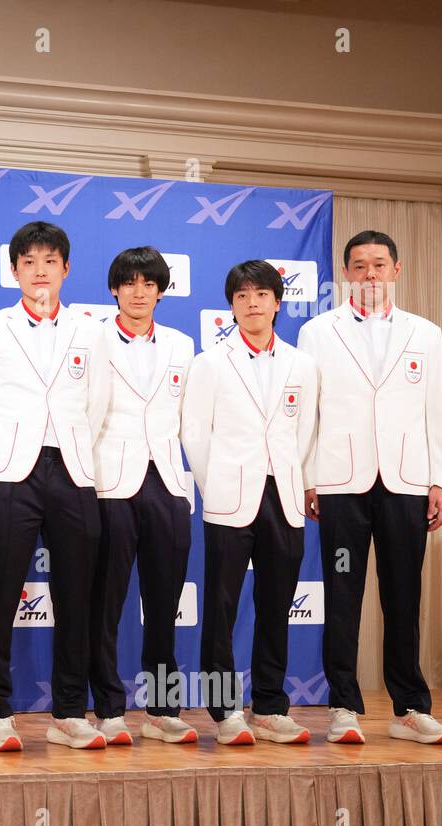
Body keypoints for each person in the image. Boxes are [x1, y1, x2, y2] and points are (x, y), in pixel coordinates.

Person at [298, 231, 442, 745]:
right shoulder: (318, 332)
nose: (370, 274)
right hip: (341, 484)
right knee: (342, 595)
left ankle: (410, 708)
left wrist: (440, 480)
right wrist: (308, 477)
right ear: (346, 273)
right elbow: (307, 413)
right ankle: (343, 706)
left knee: (403, 597)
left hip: (406, 484)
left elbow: (441, 410)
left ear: (396, 270)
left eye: (379, 264)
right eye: (360, 265)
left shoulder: (425, 333)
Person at [0, 221, 112, 752]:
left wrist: (70, 449)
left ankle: (69, 711)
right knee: (0, 590)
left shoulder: (90, 331)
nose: (40, 271)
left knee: (76, 595)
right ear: (14, 271)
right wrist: (2, 455)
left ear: (66, 268)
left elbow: (97, 404)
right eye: (29, 262)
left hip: (72, 471)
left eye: (50, 261)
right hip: (11, 473)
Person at [181, 260, 317, 745]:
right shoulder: (210, 363)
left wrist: (291, 477)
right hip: (228, 497)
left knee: (277, 605)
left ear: (277, 302)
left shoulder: (302, 364)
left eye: (261, 294)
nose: (252, 303)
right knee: (221, 609)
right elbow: (195, 434)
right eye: (242, 296)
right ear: (231, 306)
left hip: (284, 496)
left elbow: (305, 432)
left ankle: (270, 705)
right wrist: (215, 483)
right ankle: (224, 712)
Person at [89, 246, 198, 745]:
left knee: (164, 606)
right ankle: (109, 709)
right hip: (109, 484)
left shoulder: (182, 345)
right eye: (129, 282)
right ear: (114, 289)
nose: (139, 292)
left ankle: (162, 709)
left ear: (160, 291)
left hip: (168, 485)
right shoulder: (92, 339)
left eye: (149, 283)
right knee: (104, 606)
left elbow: (190, 419)